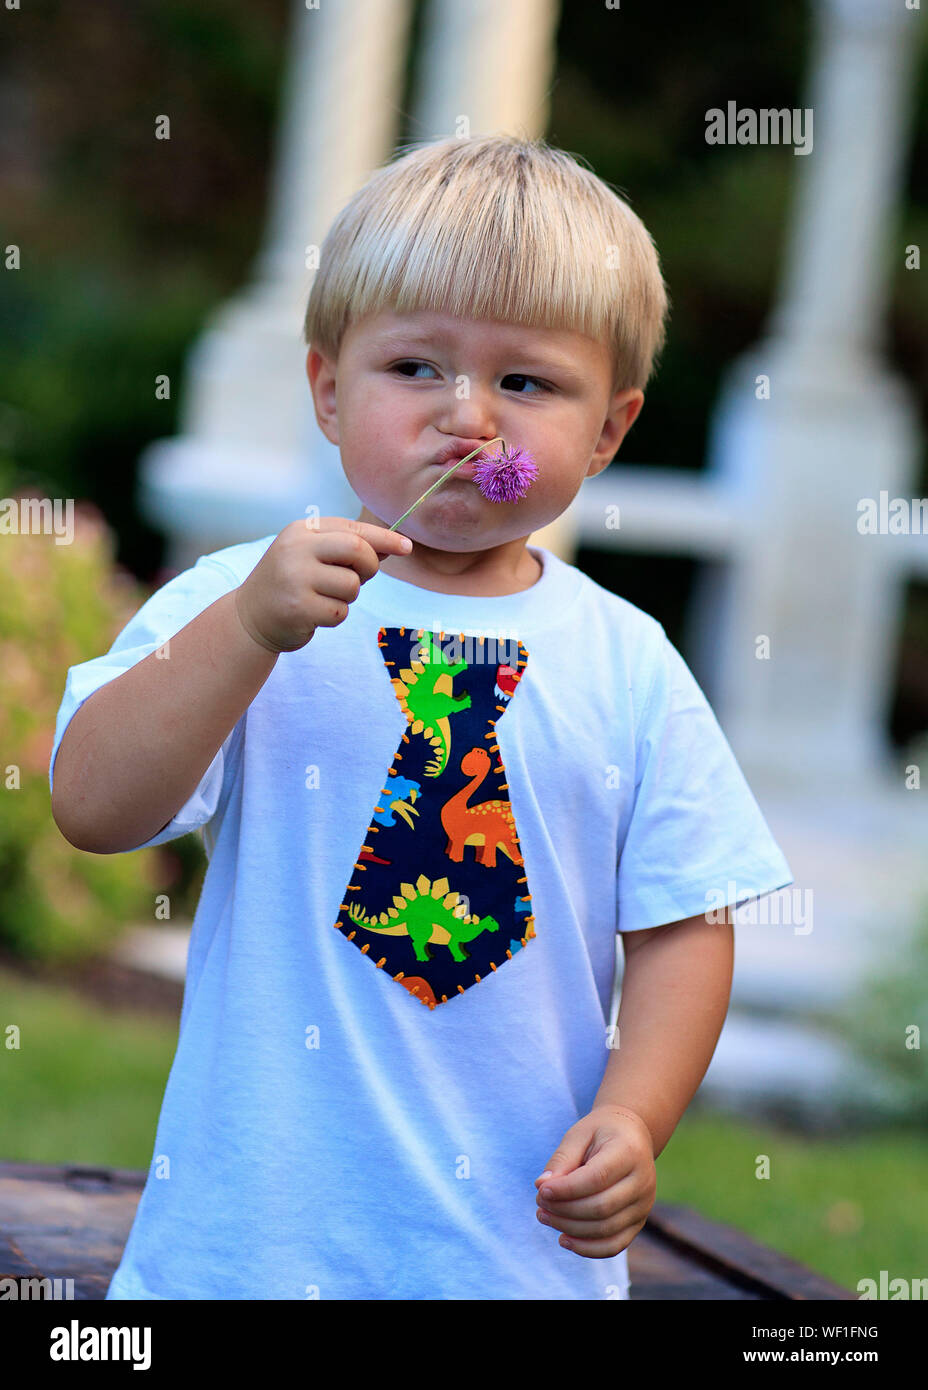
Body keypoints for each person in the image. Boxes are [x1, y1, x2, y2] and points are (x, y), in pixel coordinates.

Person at [49, 134, 793, 1300]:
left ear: (607, 430)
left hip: (512, 1263)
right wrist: (247, 633)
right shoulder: (242, 602)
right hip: (248, 1257)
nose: (467, 419)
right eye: (415, 368)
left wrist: (635, 1114)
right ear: (328, 390)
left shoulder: (628, 663)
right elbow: (93, 806)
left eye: (526, 383)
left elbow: (684, 921)